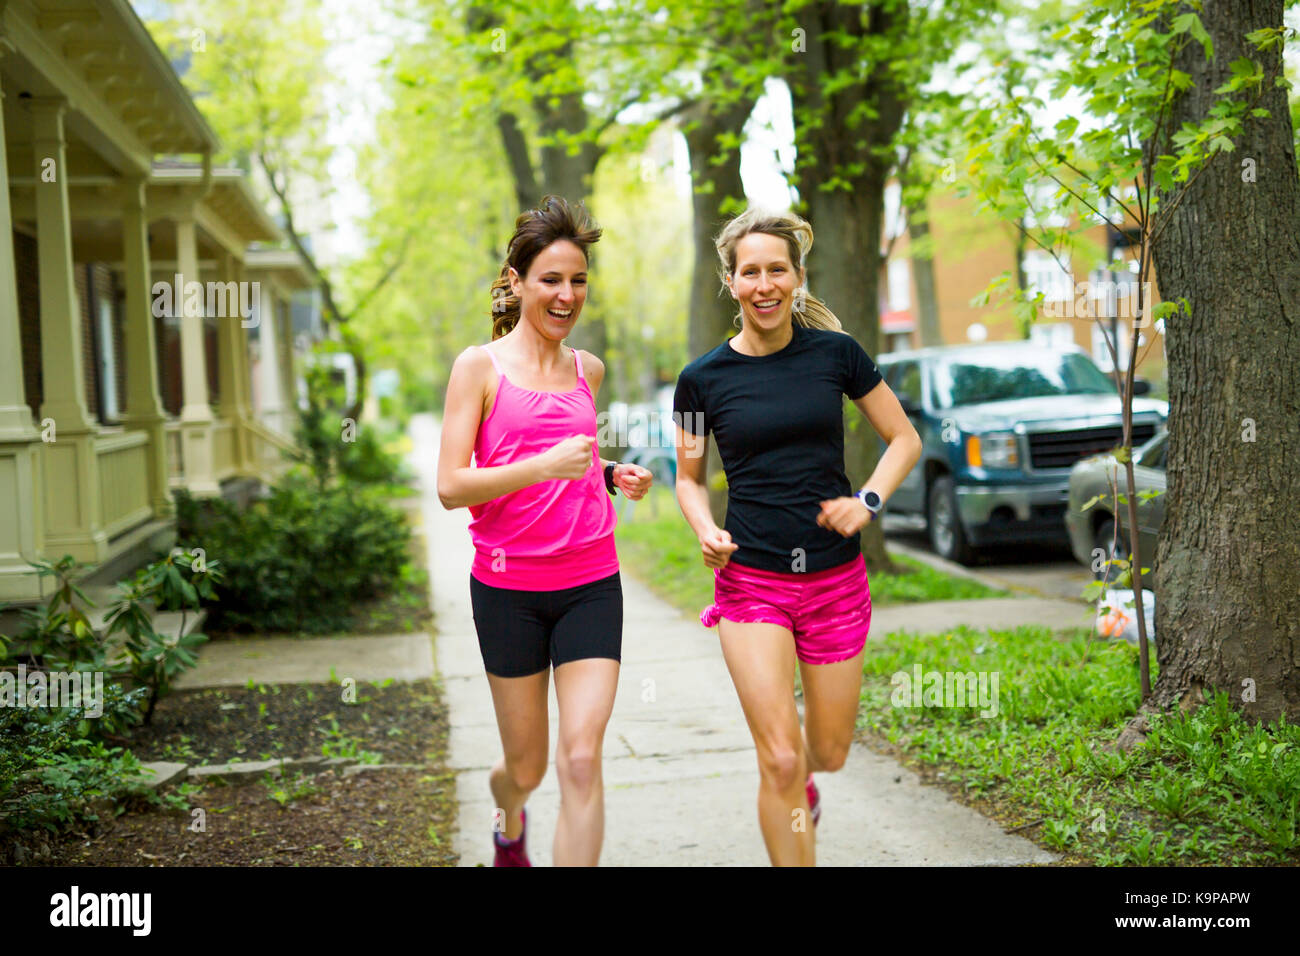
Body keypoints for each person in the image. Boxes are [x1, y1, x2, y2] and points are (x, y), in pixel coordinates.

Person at [672, 207, 922, 866]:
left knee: (827, 753)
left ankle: (802, 781)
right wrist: (705, 529)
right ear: (731, 281)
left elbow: (904, 439)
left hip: (837, 584)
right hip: (751, 582)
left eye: (775, 270)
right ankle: (787, 781)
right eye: (749, 271)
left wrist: (866, 500)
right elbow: (689, 478)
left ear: (797, 277)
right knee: (779, 758)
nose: (764, 284)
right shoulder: (701, 380)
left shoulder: (836, 355)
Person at [437, 195, 652, 866]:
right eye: (551, 280)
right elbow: (451, 485)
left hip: (591, 582)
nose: (567, 294)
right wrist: (543, 466)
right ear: (517, 281)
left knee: (582, 759)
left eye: (578, 280)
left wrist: (612, 471)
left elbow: (573, 459)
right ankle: (508, 818)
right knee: (526, 770)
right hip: (507, 592)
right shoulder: (479, 368)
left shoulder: (588, 370)